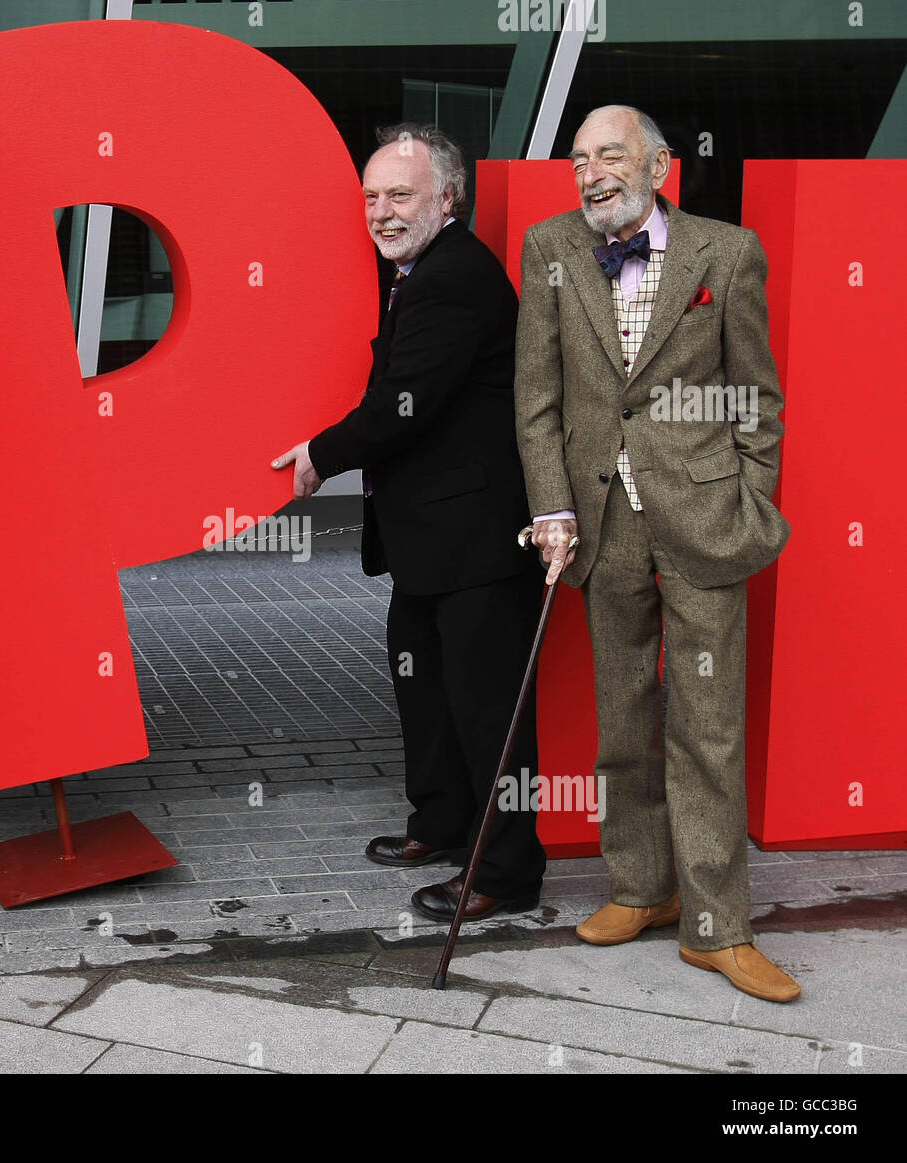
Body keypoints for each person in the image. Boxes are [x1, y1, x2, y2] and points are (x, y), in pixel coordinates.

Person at [514, 104, 799, 1002]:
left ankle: (719, 926)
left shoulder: (728, 251)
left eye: (610, 155)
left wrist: (751, 501)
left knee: (708, 723)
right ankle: (643, 887)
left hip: (705, 516)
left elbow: (756, 392)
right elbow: (537, 397)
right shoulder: (550, 246)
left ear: (660, 166)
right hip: (602, 519)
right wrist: (552, 507)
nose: (591, 171)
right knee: (623, 715)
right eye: (578, 159)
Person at [274, 124, 546, 923]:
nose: (382, 212)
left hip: (479, 541)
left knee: (488, 709)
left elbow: (405, 404)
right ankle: (441, 823)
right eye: (371, 197)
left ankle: (503, 873)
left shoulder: (453, 276)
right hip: (430, 536)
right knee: (425, 691)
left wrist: (321, 455)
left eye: (401, 195)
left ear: (447, 199)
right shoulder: (416, 270)